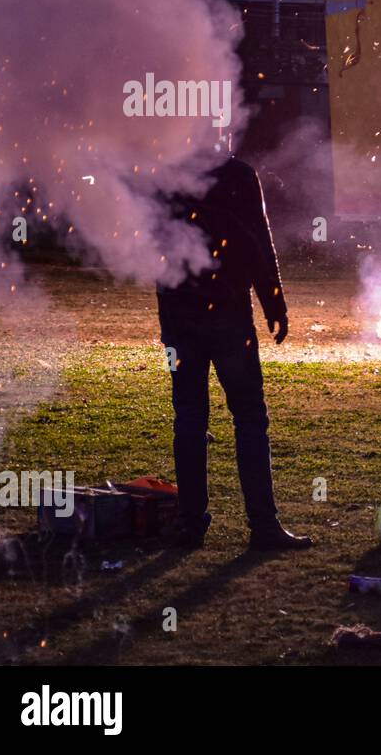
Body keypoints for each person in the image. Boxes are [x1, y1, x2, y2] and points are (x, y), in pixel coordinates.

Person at [157, 155, 311, 552]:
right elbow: (258, 241)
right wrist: (274, 303)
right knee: (248, 416)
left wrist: (169, 321)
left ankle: (190, 526)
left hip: (181, 320)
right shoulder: (238, 174)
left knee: (189, 418)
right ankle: (263, 525)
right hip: (228, 317)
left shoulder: (162, 172)